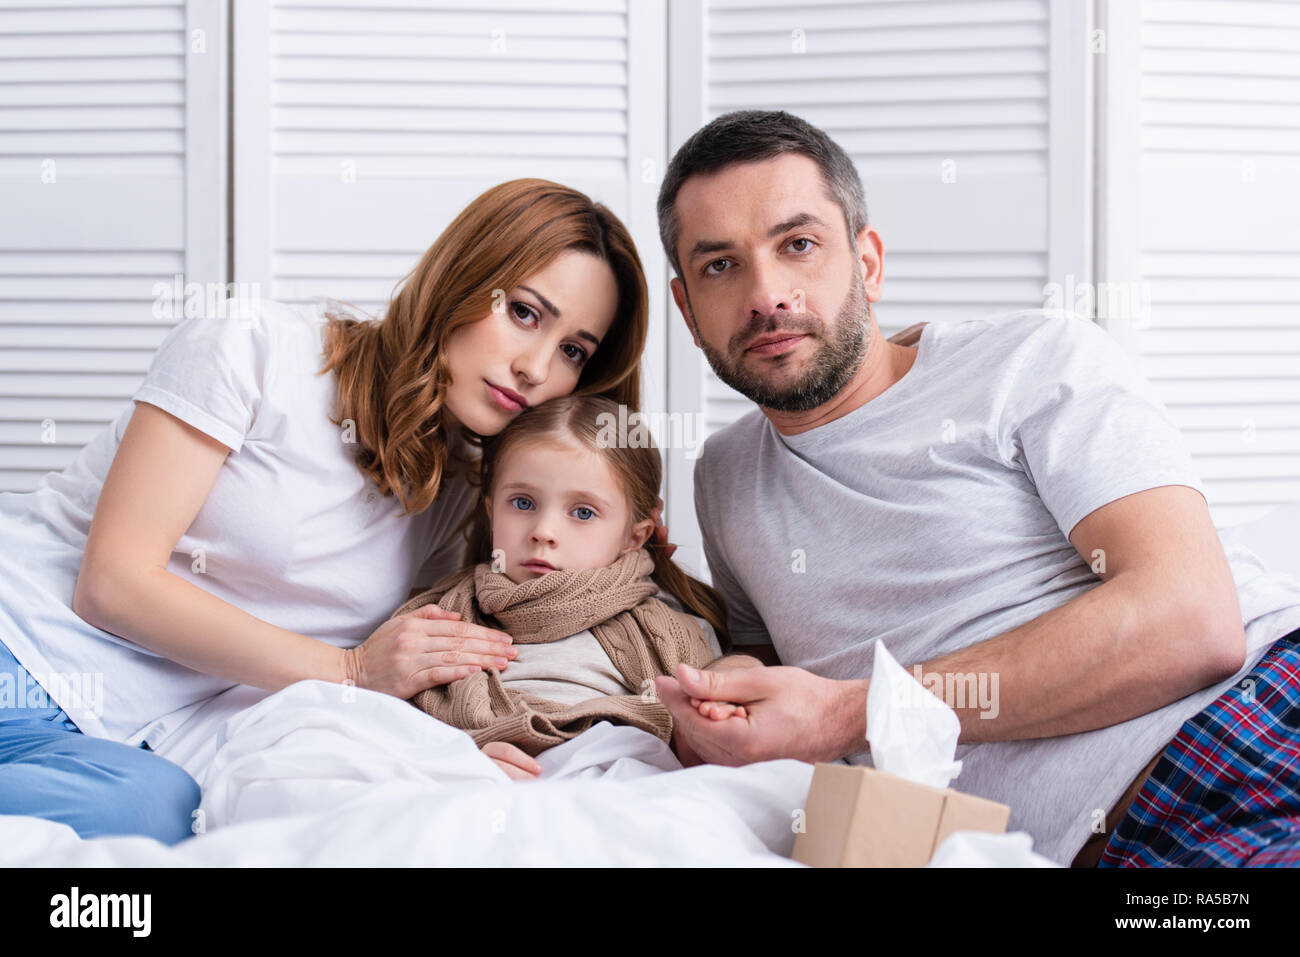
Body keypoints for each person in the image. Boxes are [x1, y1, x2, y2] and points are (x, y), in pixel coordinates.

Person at [649, 110, 1300, 867]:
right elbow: (767, 676)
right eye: (720, 265)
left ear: (868, 262)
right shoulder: (724, 480)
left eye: (799, 244)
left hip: (1257, 723)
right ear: (687, 310)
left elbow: (1194, 620)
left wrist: (851, 712)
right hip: (1129, 851)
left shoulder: (1030, 359)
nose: (768, 293)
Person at [0, 178, 660, 843]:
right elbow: (111, 584)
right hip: (22, 645)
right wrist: (348, 669)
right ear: (462, 278)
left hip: (145, 742)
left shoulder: (467, 492)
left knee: (155, 814)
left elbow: (405, 668)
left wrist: (447, 758)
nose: (536, 367)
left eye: (574, 350)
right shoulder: (255, 348)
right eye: (523, 312)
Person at [390, 394, 730, 780]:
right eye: (522, 503)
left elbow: (705, 747)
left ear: (634, 536)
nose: (543, 532)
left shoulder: (673, 634)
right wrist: (459, 758)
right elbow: (389, 723)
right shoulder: (441, 616)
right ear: (490, 510)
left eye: (583, 512)